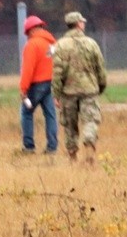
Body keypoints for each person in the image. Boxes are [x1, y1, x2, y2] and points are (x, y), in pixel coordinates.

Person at [49, 10, 108, 165]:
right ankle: (89, 148)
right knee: (90, 121)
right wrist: (101, 86)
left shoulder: (60, 45)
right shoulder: (91, 43)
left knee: (70, 125)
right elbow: (100, 68)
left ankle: (72, 157)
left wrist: (55, 94)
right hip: (89, 90)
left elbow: (57, 72)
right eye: (82, 22)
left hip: (68, 92)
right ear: (79, 24)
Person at [18, 15, 58, 154]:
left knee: (26, 113)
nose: (28, 36)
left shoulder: (32, 45)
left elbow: (28, 69)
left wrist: (23, 89)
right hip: (51, 83)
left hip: (36, 85)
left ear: (32, 30)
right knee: (50, 115)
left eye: (28, 32)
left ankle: (29, 147)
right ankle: (52, 147)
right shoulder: (52, 44)